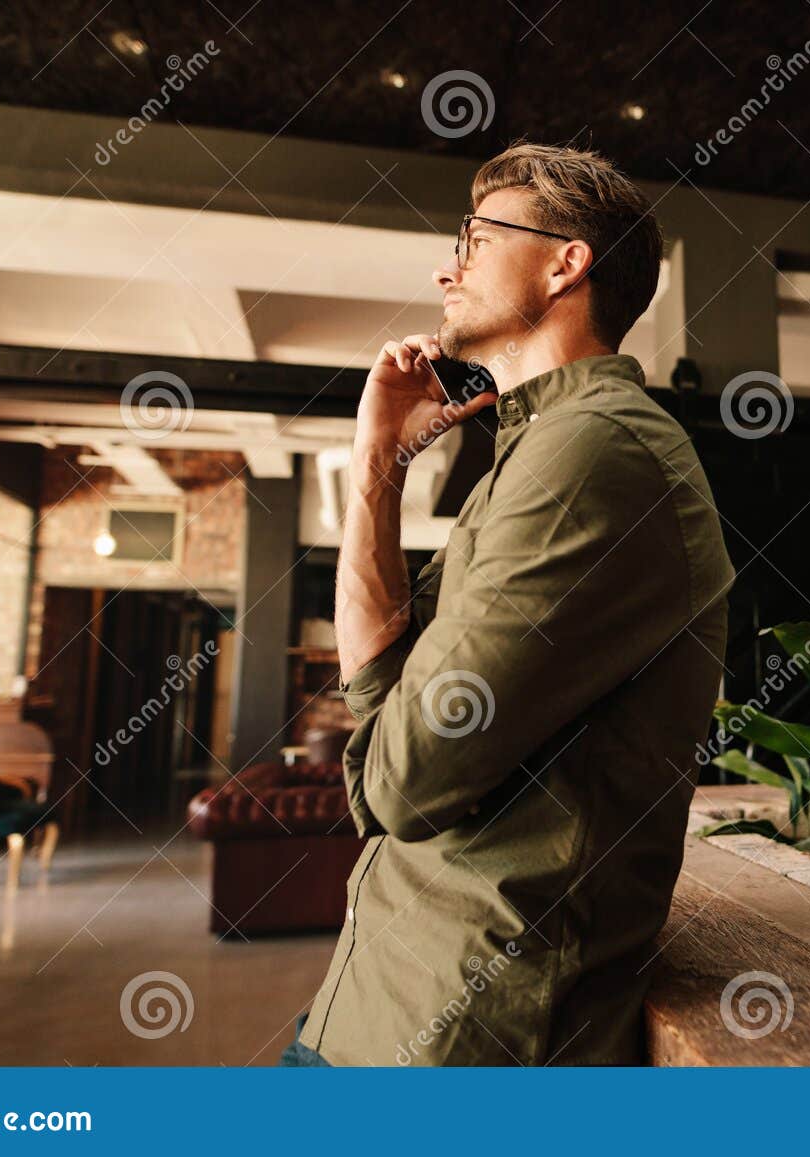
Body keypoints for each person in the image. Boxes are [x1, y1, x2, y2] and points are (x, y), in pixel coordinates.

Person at [284, 141, 734, 1066]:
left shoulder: (595, 449)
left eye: (477, 236)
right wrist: (378, 467)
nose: (447, 265)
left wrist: (381, 746)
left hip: (457, 1046)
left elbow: (400, 780)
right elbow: (388, 697)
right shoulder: (536, 452)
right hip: (386, 1010)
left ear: (568, 263)